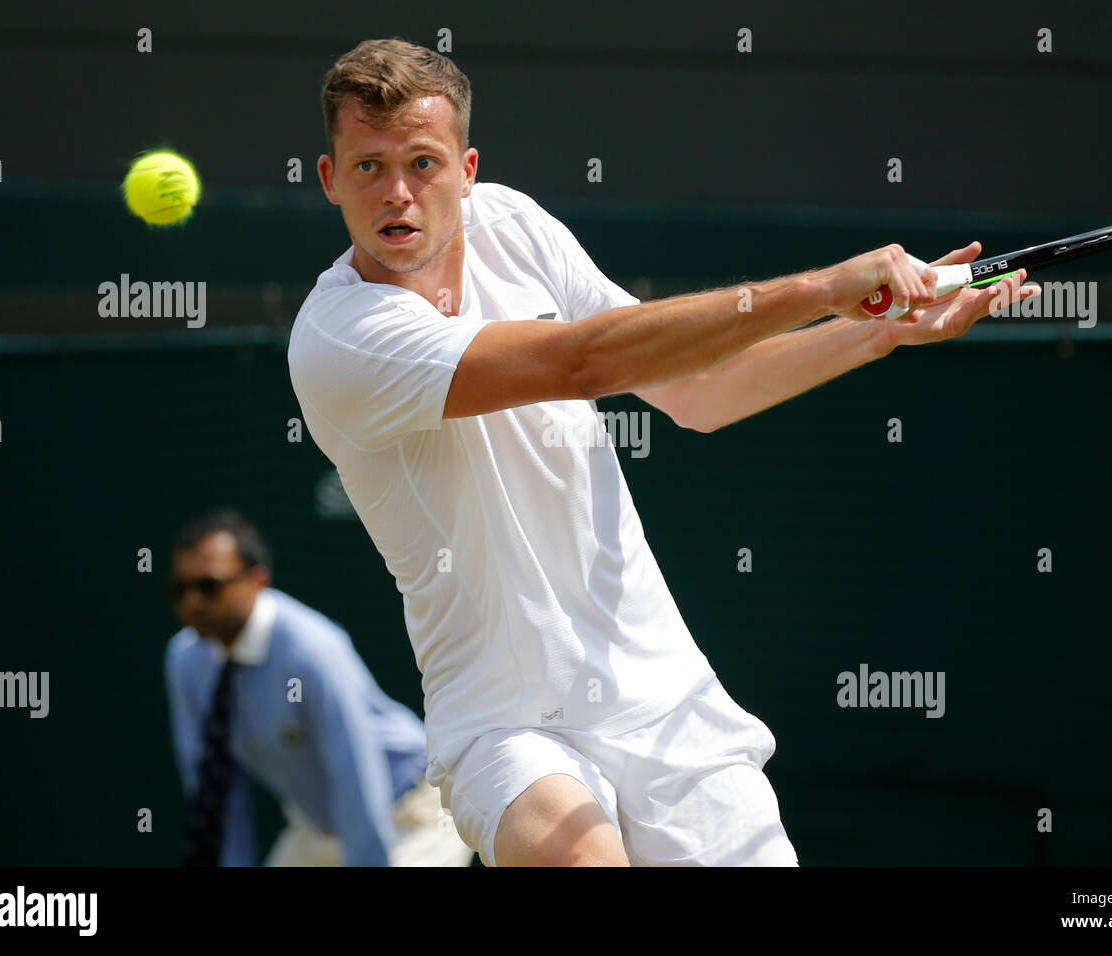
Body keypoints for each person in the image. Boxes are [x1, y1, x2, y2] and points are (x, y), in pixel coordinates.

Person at [287, 38, 1040, 867]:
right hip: (505, 722)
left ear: (466, 169)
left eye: (422, 162)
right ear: (329, 179)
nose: (397, 192)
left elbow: (697, 393)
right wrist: (824, 287)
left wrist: (872, 334)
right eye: (368, 167)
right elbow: (585, 362)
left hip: (664, 693)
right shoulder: (338, 339)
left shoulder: (514, 224)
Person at [163, 509, 474, 866]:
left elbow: (356, 775)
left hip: (411, 817)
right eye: (180, 589)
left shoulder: (312, 650)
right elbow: (214, 794)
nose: (193, 603)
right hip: (319, 830)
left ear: (257, 580)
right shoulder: (185, 661)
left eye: (209, 586)